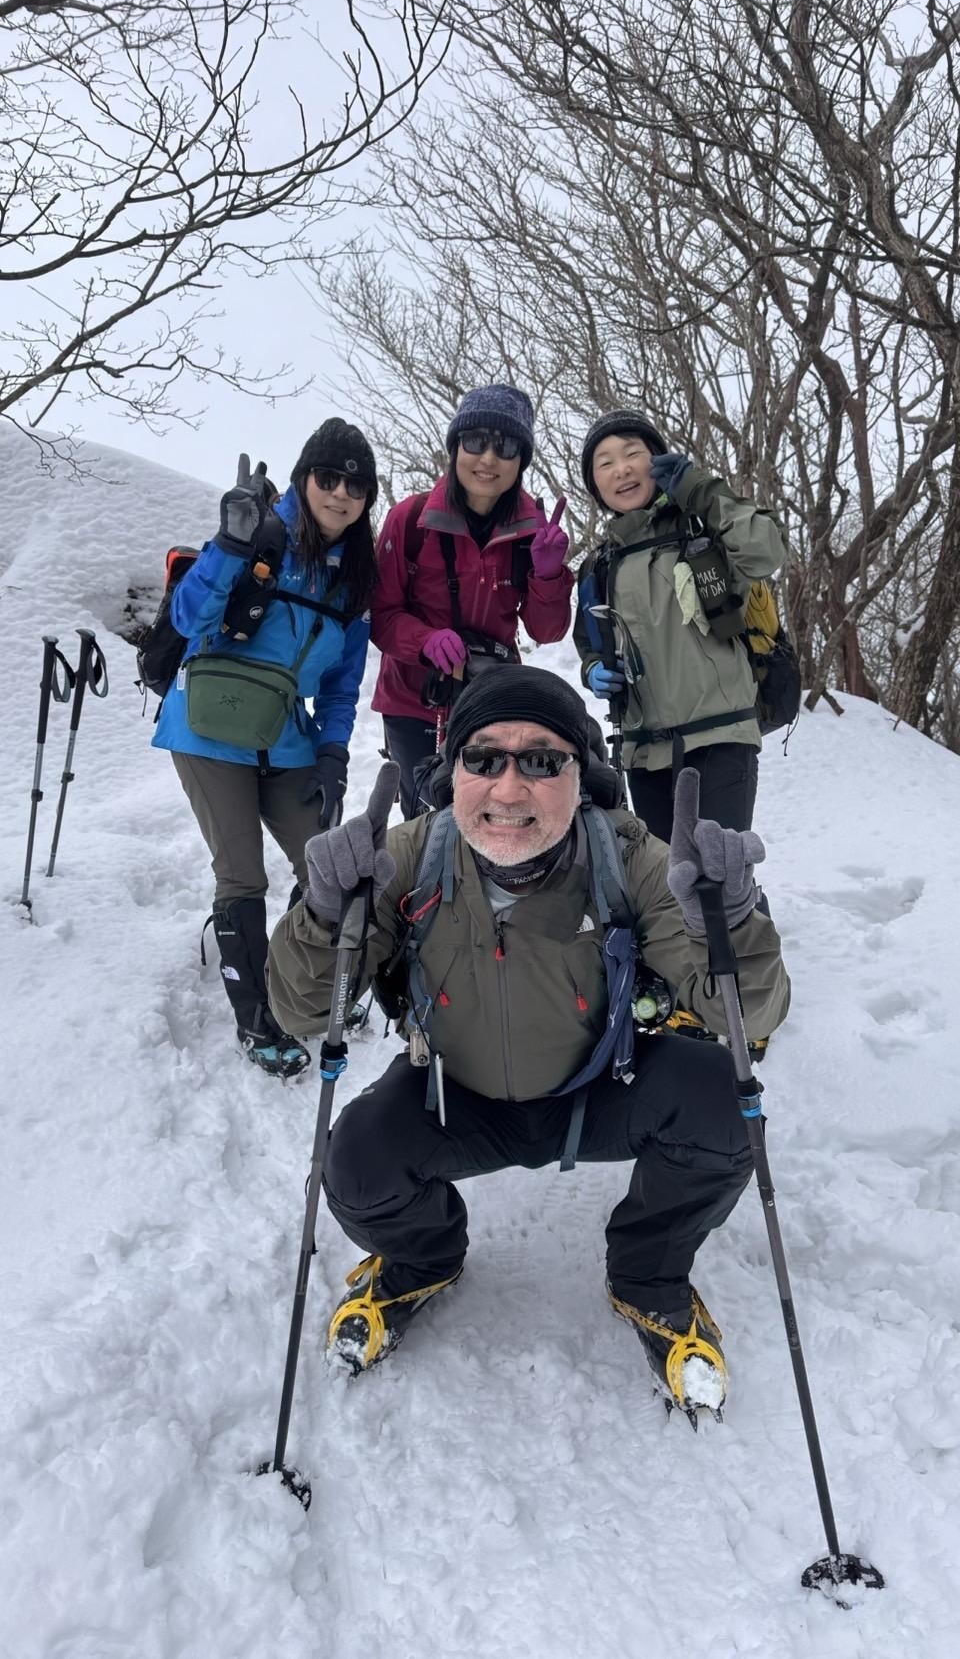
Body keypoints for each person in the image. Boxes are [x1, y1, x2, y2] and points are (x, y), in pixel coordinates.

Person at [267, 668, 790, 1419]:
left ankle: (648, 1276)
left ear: (582, 774)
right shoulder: (406, 857)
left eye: (543, 760)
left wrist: (728, 922)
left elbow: (750, 1011)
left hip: (600, 1087)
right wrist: (322, 915)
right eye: (485, 758)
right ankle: (424, 1259)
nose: (509, 790)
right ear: (452, 775)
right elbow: (302, 1010)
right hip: (459, 1095)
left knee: (724, 1106)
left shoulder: (630, 856)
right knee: (354, 1161)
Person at [153, 419, 378, 1078]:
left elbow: (340, 685)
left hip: (283, 737)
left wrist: (333, 754)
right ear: (305, 477)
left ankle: (300, 980)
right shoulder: (261, 538)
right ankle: (257, 1020)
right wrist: (228, 544)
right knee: (242, 875)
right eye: (327, 477)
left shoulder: (354, 581)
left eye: (355, 484)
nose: (339, 493)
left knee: (325, 867)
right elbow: (188, 619)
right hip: (204, 730)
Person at [575, 408, 788, 842]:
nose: (622, 469)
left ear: (656, 462)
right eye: (605, 463)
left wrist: (700, 489)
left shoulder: (701, 531)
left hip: (721, 735)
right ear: (595, 485)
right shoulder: (598, 566)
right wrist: (593, 670)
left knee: (718, 876)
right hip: (643, 749)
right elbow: (592, 642)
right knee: (666, 888)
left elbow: (766, 551)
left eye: (633, 453)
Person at [370, 384, 573, 818]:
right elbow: (382, 616)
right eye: (475, 441)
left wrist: (549, 574)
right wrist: (424, 639)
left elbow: (546, 630)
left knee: (492, 815)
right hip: (414, 700)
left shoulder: (530, 532)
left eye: (506, 446)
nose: (488, 458)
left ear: (521, 460)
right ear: (455, 446)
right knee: (427, 817)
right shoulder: (410, 520)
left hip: (492, 698)